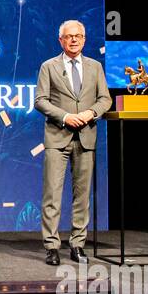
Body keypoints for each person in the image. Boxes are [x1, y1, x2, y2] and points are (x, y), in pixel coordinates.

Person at [34, 20, 112, 265]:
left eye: (78, 36)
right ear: (61, 40)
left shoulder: (95, 67)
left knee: (82, 196)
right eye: (69, 36)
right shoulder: (49, 66)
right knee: (52, 195)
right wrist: (66, 116)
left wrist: (90, 113)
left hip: (86, 137)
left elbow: (105, 99)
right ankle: (51, 246)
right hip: (58, 137)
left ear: (85, 39)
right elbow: (40, 101)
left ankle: (77, 245)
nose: (74, 40)